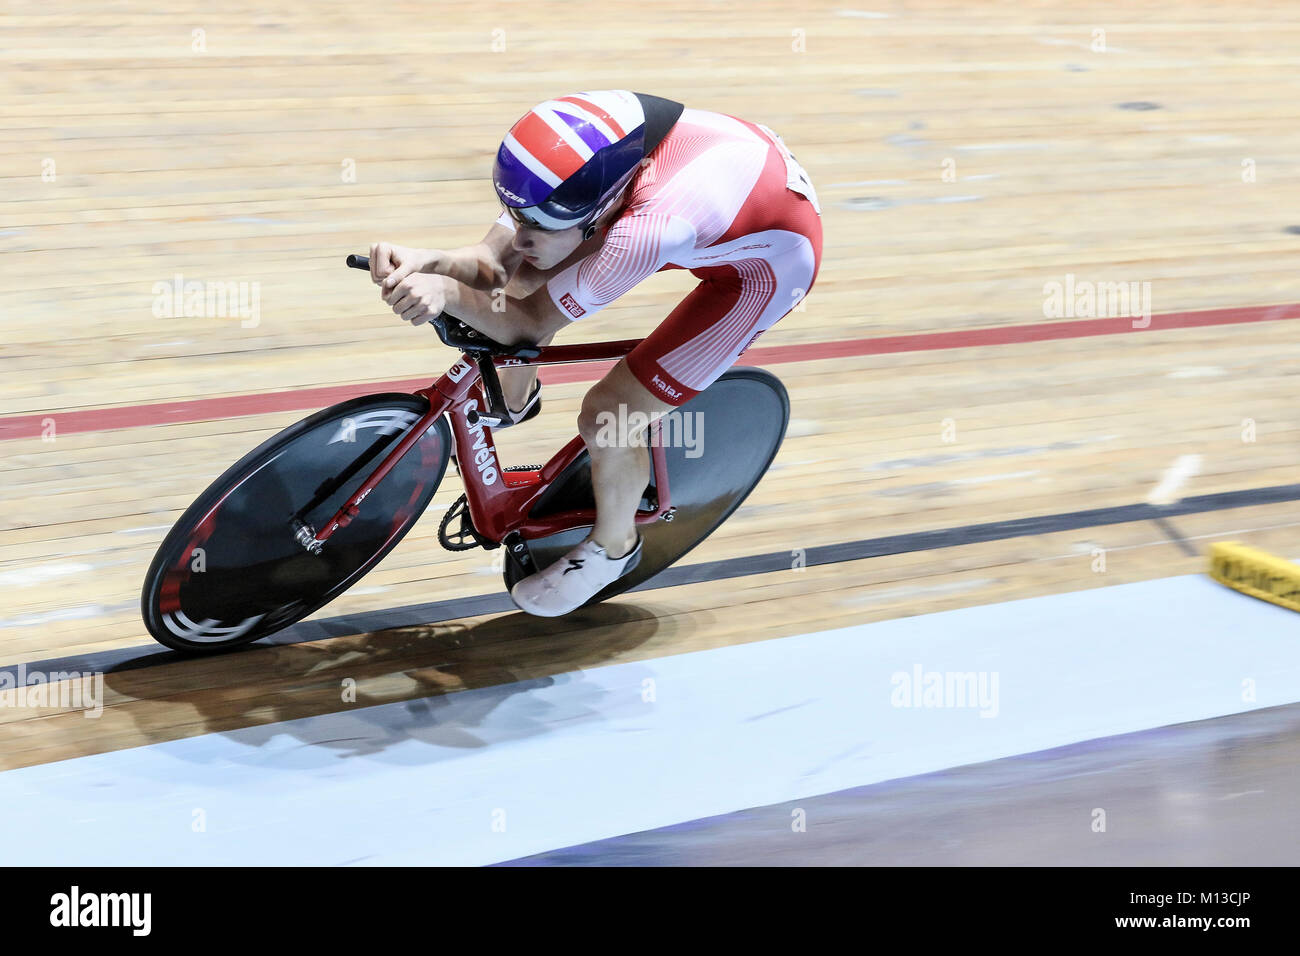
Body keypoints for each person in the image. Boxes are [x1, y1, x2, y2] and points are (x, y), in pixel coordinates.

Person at [368, 90, 822, 616]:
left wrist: (445, 291)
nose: (520, 233)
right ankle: (516, 399)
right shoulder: (569, 161)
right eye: (516, 214)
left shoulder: (644, 232)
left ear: (601, 211)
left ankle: (613, 549)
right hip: (725, 188)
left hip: (767, 267)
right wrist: (436, 260)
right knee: (526, 271)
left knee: (610, 416)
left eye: (536, 224)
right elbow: (495, 265)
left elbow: (533, 319)